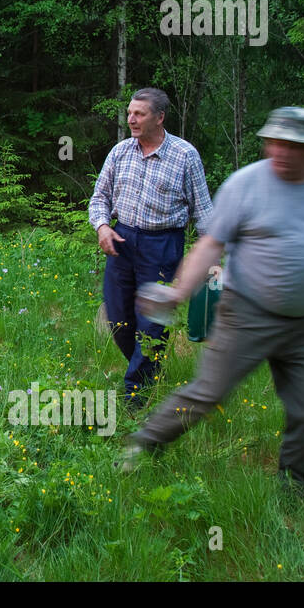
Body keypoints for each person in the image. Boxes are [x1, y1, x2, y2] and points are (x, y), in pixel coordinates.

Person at [120, 107, 304, 509]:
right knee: (207, 393)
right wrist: (178, 292)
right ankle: (144, 444)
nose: (277, 150)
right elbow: (210, 243)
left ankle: (300, 488)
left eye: (289, 144)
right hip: (246, 313)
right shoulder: (245, 184)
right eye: (271, 141)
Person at [89, 88, 213, 407]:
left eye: (139, 113)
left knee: (152, 323)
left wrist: (209, 256)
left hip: (162, 245)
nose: (131, 118)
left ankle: (136, 398)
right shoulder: (120, 152)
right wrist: (103, 226)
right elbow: (100, 197)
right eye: (130, 112)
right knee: (119, 319)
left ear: (159, 117)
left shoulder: (185, 156)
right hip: (122, 241)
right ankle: (147, 369)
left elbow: (204, 213)